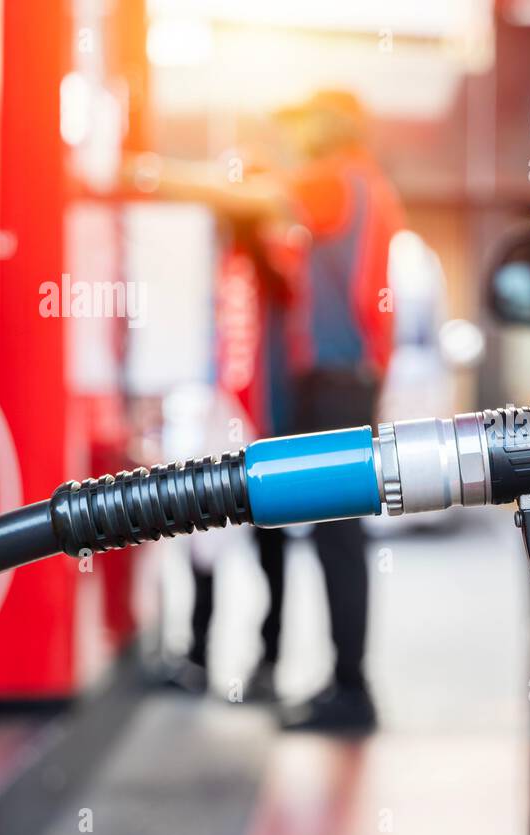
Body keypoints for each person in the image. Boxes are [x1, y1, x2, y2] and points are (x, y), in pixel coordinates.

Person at [132, 91, 403, 733]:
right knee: (303, 522)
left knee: (338, 534)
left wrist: (140, 173)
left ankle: (351, 692)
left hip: (336, 383)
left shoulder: (338, 181)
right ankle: (331, 681)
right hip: (339, 382)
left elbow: (251, 197)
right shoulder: (362, 188)